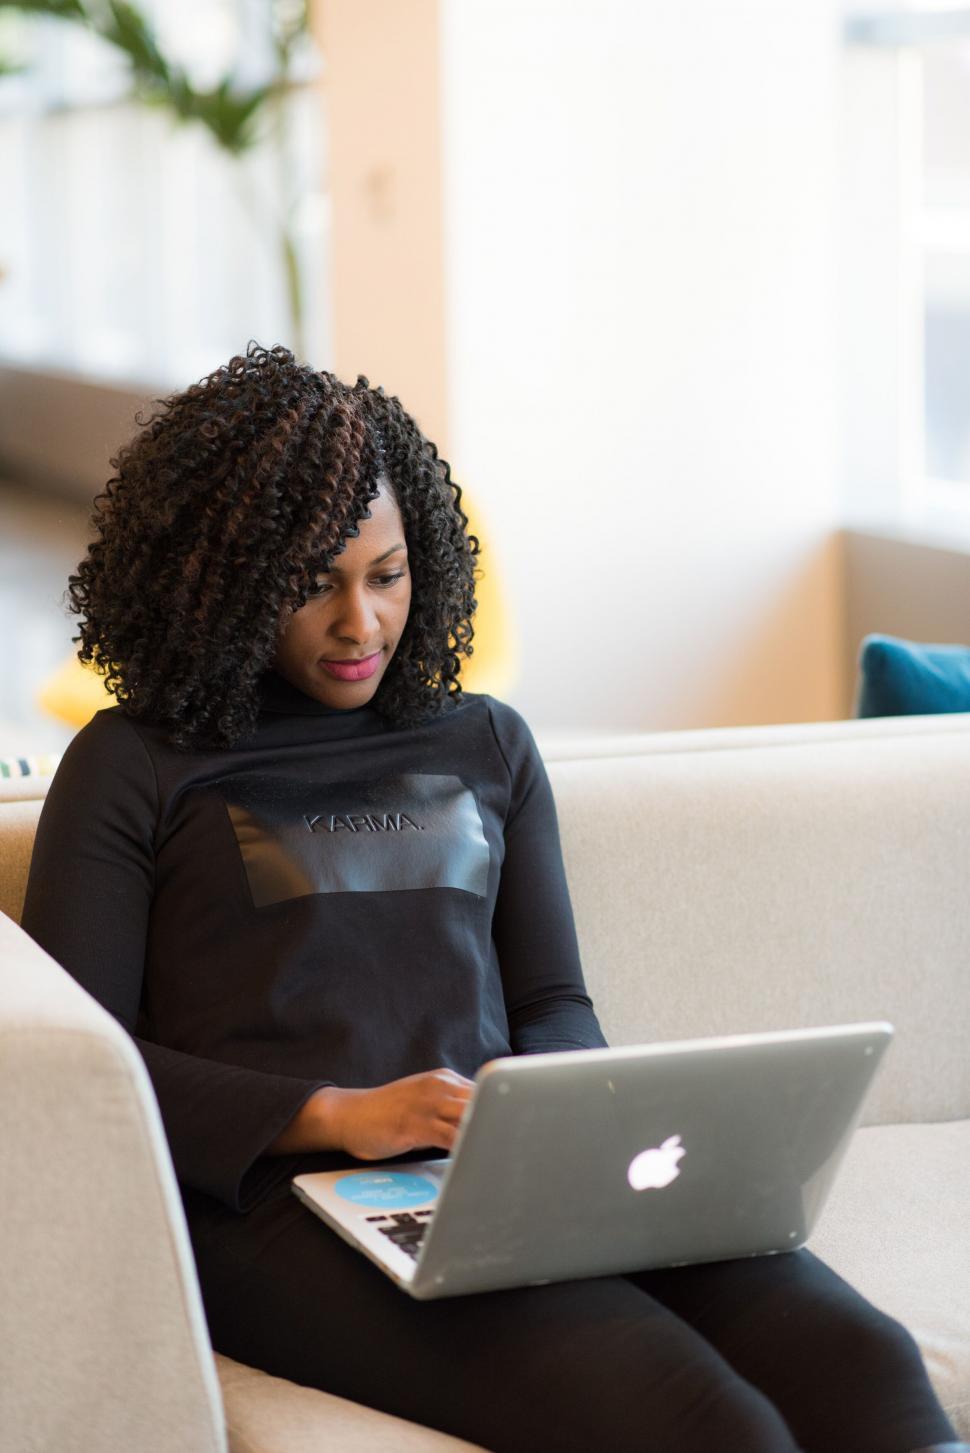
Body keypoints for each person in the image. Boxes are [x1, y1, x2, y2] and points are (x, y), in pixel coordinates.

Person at [21, 342, 963, 1453]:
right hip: (278, 1204)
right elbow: (88, 1076)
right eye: (311, 582)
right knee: (704, 1421)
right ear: (224, 580)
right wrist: (339, 1112)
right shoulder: (136, 765)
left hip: (505, 1171)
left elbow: (553, 996)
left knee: (866, 1365)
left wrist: (560, 1115)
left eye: (386, 573)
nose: (360, 623)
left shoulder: (485, 743)